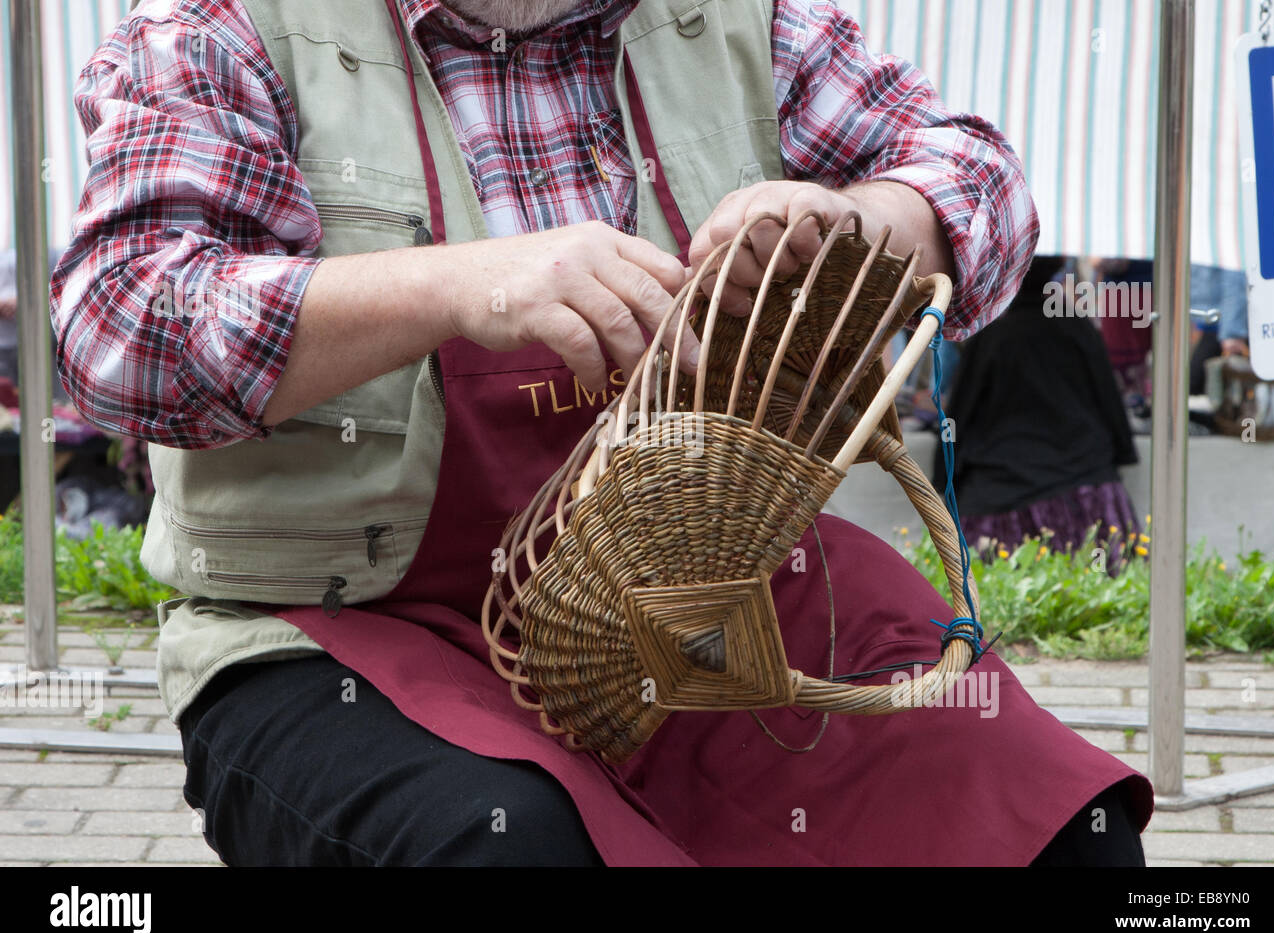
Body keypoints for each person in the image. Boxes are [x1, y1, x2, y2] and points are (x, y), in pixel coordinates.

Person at [51, 0, 1152, 865]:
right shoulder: (225, 28)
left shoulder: (740, 17)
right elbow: (121, 331)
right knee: (507, 839)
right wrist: (454, 285)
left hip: (710, 586)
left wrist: (865, 223)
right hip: (347, 625)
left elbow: (980, 177)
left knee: (1053, 824)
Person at [935, 256, 1141, 562]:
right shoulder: (1079, 330)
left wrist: (944, 474)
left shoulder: (991, 338)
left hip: (999, 497)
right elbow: (1109, 401)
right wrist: (1123, 452)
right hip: (1082, 490)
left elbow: (958, 415)